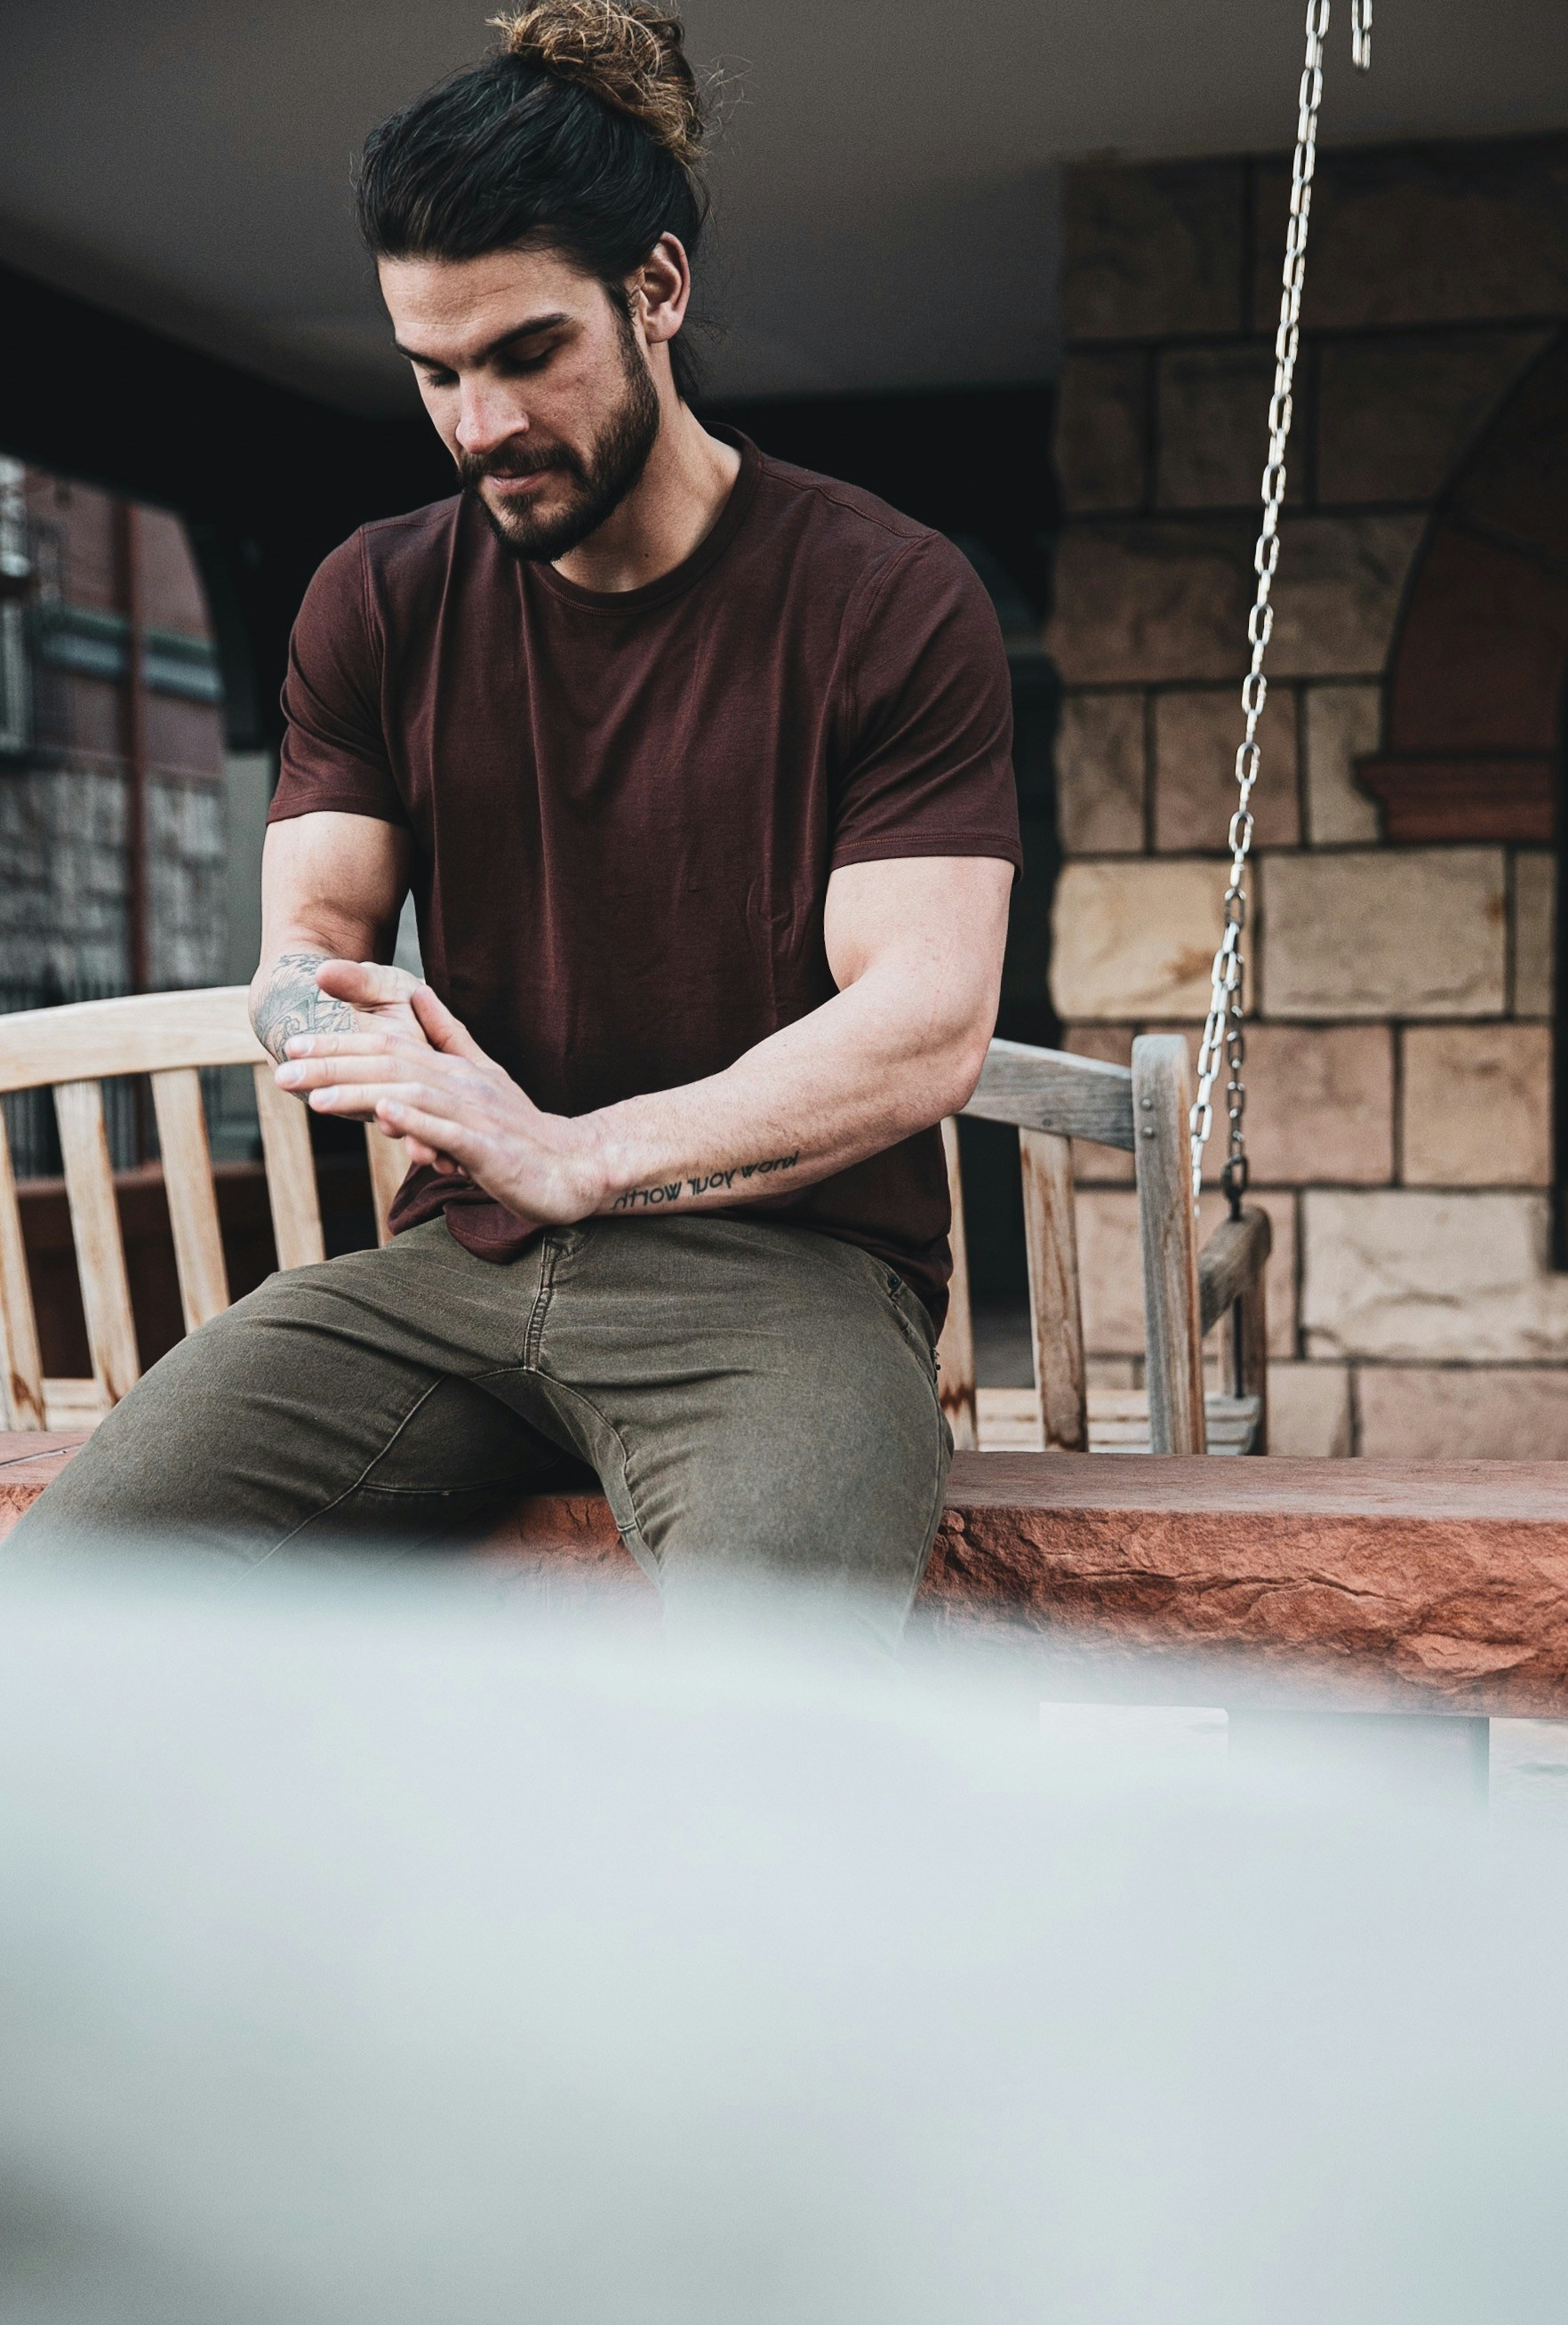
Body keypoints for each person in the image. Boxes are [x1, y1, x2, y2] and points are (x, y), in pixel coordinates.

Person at [6, 1, 1018, 1629]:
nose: (479, 424)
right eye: (434, 373)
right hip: (449, 1276)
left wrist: (580, 1153)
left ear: (659, 291)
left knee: (765, 1706)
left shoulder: (885, 596)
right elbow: (308, 942)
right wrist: (336, 1027)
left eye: (525, 354)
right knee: (55, 1608)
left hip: (791, 1286)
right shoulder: (378, 598)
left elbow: (924, 1017)